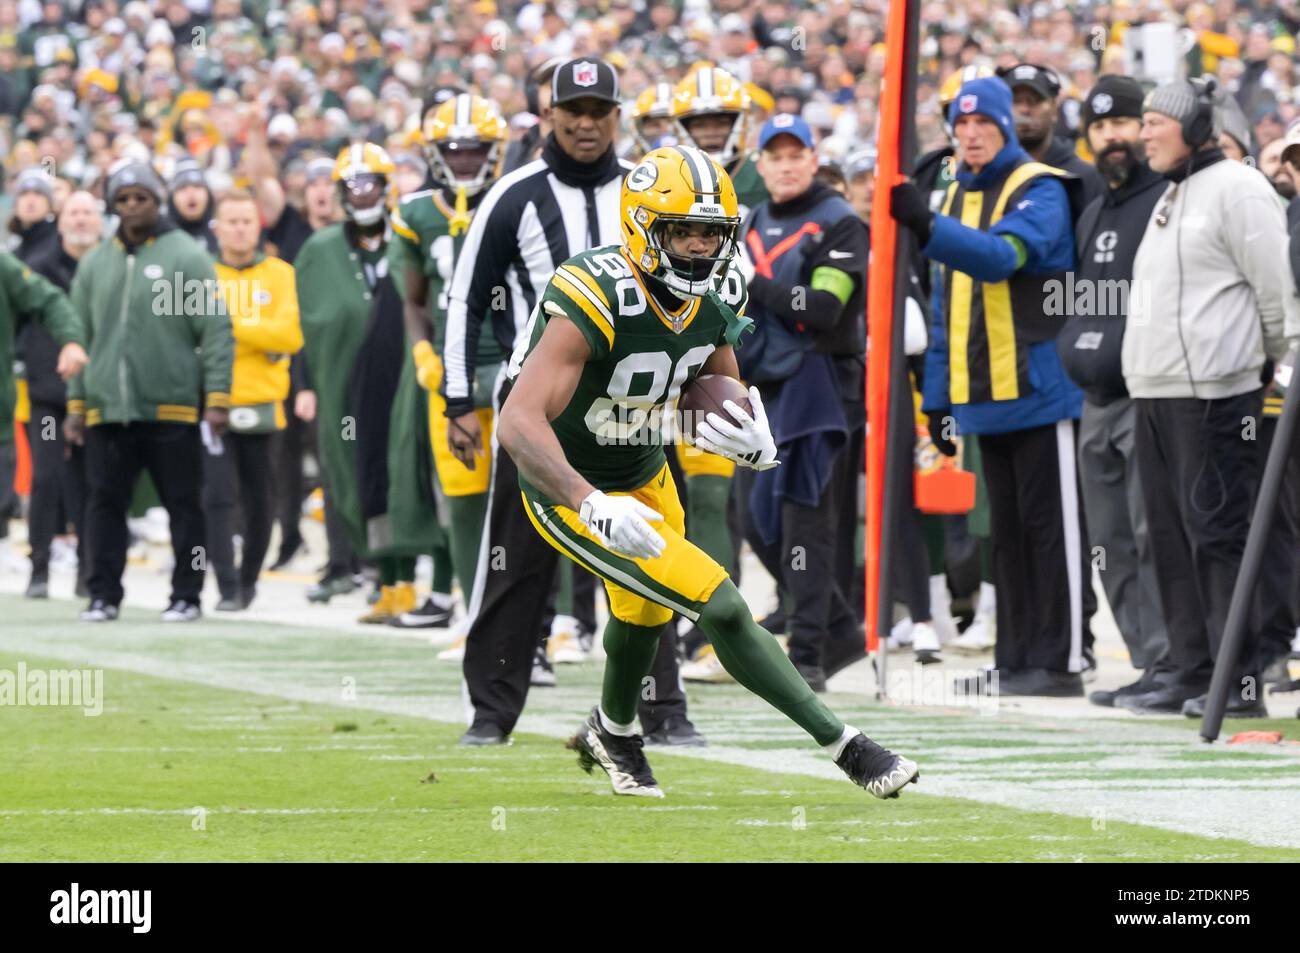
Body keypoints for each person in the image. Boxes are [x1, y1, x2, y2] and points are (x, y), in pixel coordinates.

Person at [498, 143, 918, 800]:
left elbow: (713, 371)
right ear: (642, 229)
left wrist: (745, 431)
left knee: (641, 613)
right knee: (719, 603)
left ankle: (613, 730)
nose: (697, 247)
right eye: (681, 232)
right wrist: (588, 500)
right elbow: (517, 421)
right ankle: (847, 746)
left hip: (645, 468)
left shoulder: (721, 284)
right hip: (567, 485)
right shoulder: (597, 290)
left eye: (711, 233)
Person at [441, 58, 701, 747]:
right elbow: (466, 297)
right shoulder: (513, 194)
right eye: (573, 111)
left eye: (599, 111)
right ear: (548, 114)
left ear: (619, 116)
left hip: (634, 404)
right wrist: (457, 398)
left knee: (655, 553)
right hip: (541, 410)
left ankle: (663, 709)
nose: (586, 124)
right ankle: (492, 712)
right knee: (516, 561)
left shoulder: (652, 193)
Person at [890, 76, 1089, 697]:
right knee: (1004, 536)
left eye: (984, 124)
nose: (971, 134)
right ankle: (1018, 658)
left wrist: (924, 224)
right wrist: (942, 403)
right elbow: (950, 311)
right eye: (961, 124)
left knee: (1050, 531)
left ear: (1004, 127)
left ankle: (1060, 664)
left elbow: (1003, 260)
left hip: (1041, 389)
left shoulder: (1041, 190)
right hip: (984, 399)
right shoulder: (954, 198)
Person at [1119, 78, 1297, 717]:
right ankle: (1192, 669)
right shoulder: (1173, 194)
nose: (1143, 134)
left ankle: (1239, 682)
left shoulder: (1240, 190)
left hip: (1216, 396)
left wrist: (1275, 362)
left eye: (1155, 123)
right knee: (1170, 538)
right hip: (1158, 392)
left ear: (1195, 126)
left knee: (1218, 538)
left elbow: (1278, 293)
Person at [701, 113, 869, 691]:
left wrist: (753, 285)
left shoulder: (842, 224)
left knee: (807, 522)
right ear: (761, 164)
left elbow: (822, 307)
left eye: (797, 154)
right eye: (775, 155)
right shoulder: (749, 220)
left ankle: (811, 651)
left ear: (813, 160)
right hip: (760, 387)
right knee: (759, 522)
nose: (786, 164)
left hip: (820, 385)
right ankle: (840, 626)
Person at [66, 160, 233, 622]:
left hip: (172, 406)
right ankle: (102, 594)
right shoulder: (96, 262)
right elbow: (78, 336)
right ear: (113, 206)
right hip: (107, 410)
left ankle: (188, 594)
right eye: (124, 199)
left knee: (185, 506)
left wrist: (217, 398)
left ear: (158, 200)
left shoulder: (187, 257)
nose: (133, 206)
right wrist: (77, 403)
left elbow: (216, 330)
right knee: (103, 506)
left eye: (142, 197)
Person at [1055, 75, 1171, 707]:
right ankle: (1148, 660)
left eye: (1122, 124)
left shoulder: (1164, 200)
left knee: (1154, 531)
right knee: (1110, 541)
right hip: (1094, 399)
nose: (1111, 137)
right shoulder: (1097, 207)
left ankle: (1175, 657)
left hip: (1146, 395)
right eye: (1099, 128)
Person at [295, 143, 440, 624]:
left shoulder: (410, 233)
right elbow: (312, 325)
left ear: (386, 186)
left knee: (421, 470)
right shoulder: (321, 250)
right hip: (354, 385)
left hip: (411, 369)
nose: (362, 196)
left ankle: (439, 588)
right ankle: (390, 582)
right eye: (352, 187)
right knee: (367, 473)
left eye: (370, 184)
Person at [388, 93, 508, 628]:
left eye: (474, 149)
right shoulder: (416, 213)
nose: (463, 159)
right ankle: (474, 611)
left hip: (510, 365)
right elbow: (413, 299)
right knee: (463, 499)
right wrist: (421, 351)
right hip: (451, 371)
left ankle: (554, 623)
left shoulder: (513, 199)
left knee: (535, 500)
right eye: (454, 150)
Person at [202, 189, 302, 611]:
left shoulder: (280, 273)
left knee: (261, 500)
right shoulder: (202, 274)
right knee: (218, 497)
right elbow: (198, 339)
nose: (241, 229)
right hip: (213, 403)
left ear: (257, 225)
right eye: (232, 221)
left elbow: (290, 336)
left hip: (263, 406)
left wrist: (229, 322)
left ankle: (249, 581)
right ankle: (225, 585)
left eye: (247, 220)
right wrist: (255, 330)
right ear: (217, 228)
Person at [17, 189, 100, 599]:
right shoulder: (37, 267)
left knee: (92, 482)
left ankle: (89, 570)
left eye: (88, 212)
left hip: (98, 396)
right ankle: (39, 568)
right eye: (74, 212)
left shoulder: (111, 267)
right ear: (61, 220)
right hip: (49, 394)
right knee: (47, 478)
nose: (81, 219)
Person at [0, 248, 86, 578]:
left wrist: (71, 340)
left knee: (78, 480)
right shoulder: (38, 260)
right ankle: (41, 567)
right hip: (45, 404)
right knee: (46, 477)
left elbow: (51, 302)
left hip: (74, 398)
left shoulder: (14, 269)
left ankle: (80, 567)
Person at [998, 63, 1105, 215]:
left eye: (1034, 100)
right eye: (1015, 101)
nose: (1025, 110)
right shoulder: (991, 174)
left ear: (1054, 109)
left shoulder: (1086, 178)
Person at [671, 66, 770, 219]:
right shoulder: (671, 174)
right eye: (700, 125)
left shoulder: (763, 168)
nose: (711, 132)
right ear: (684, 127)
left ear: (739, 122)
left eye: (721, 122)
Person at [167, 157, 218, 255]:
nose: (191, 194)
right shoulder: (162, 237)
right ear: (172, 197)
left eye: (197, 186)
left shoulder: (222, 233)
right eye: (182, 188)